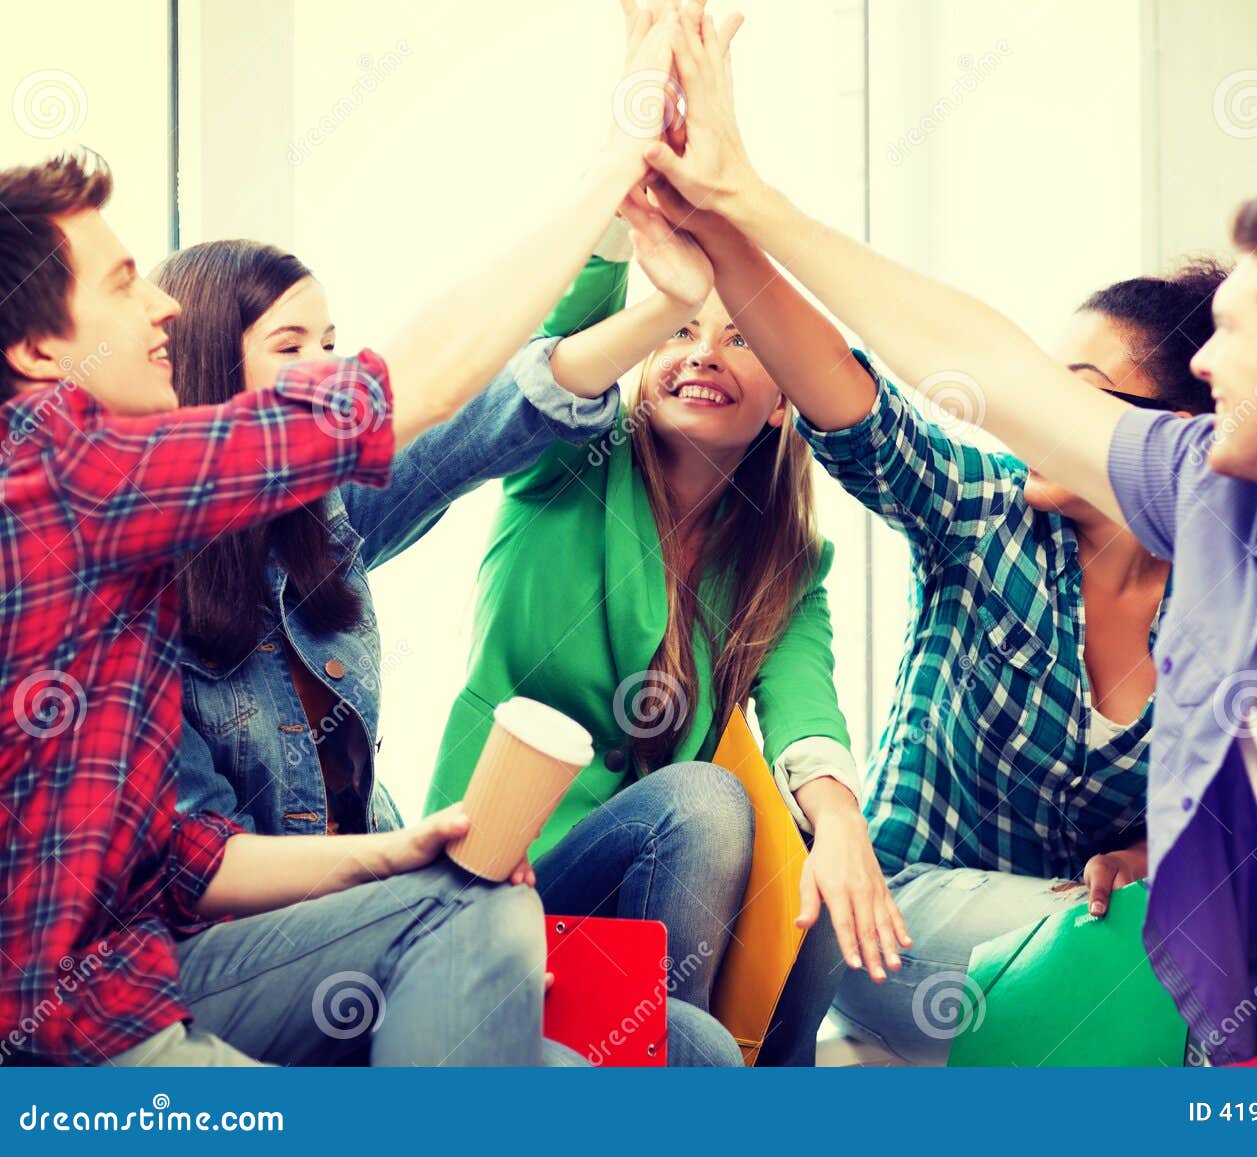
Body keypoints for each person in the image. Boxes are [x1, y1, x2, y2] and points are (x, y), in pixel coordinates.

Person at [645, 4, 1257, 1065]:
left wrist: (1166, 852)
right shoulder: (1207, 502)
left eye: (1232, 336)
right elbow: (981, 364)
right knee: (1132, 970)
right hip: (1148, 995)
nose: (1208, 365)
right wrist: (737, 205)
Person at [0, 0, 693, 1067]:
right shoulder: (64, 471)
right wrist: (615, 163)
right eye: (125, 282)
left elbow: (185, 855)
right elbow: (417, 382)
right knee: (492, 937)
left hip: (155, 986)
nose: (160, 308)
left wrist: (395, 851)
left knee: (669, 1046)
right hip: (90, 1029)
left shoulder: (164, 533)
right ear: (42, 352)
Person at [624, 177, 1223, 1063]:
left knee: (1189, 951)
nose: (1034, 419)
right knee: (1140, 963)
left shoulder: (1229, 599)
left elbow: (1238, 809)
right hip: (899, 924)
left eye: (1073, 397)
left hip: (1077, 946)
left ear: (1166, 437)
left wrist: (1142, 850)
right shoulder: (982, 510)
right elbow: (850, 402)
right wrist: (722, 217)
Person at [154, 230, 739, 1067]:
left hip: (395, 906)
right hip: (270, 961)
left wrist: (669, 306)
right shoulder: (136, 589)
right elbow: (206, 872)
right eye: (291, 347)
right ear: (211, 373)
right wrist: (445, 916)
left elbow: (500, 415)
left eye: (331, 344)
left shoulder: (324, 520)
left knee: (701, 1050)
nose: (328, 371)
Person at [426, 233, 904, 1068]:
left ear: (784, 401)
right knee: (706, 801)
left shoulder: (786, 562)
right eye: (681, 329)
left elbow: (805, 704)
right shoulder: (567, 458)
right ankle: (671, 1051)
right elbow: (567, 338)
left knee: (830, 879)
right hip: (499, 880)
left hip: (649, 899)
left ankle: (710, 1062)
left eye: (741, 337)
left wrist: (840, 822)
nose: (704, 352)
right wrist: (621, 219)